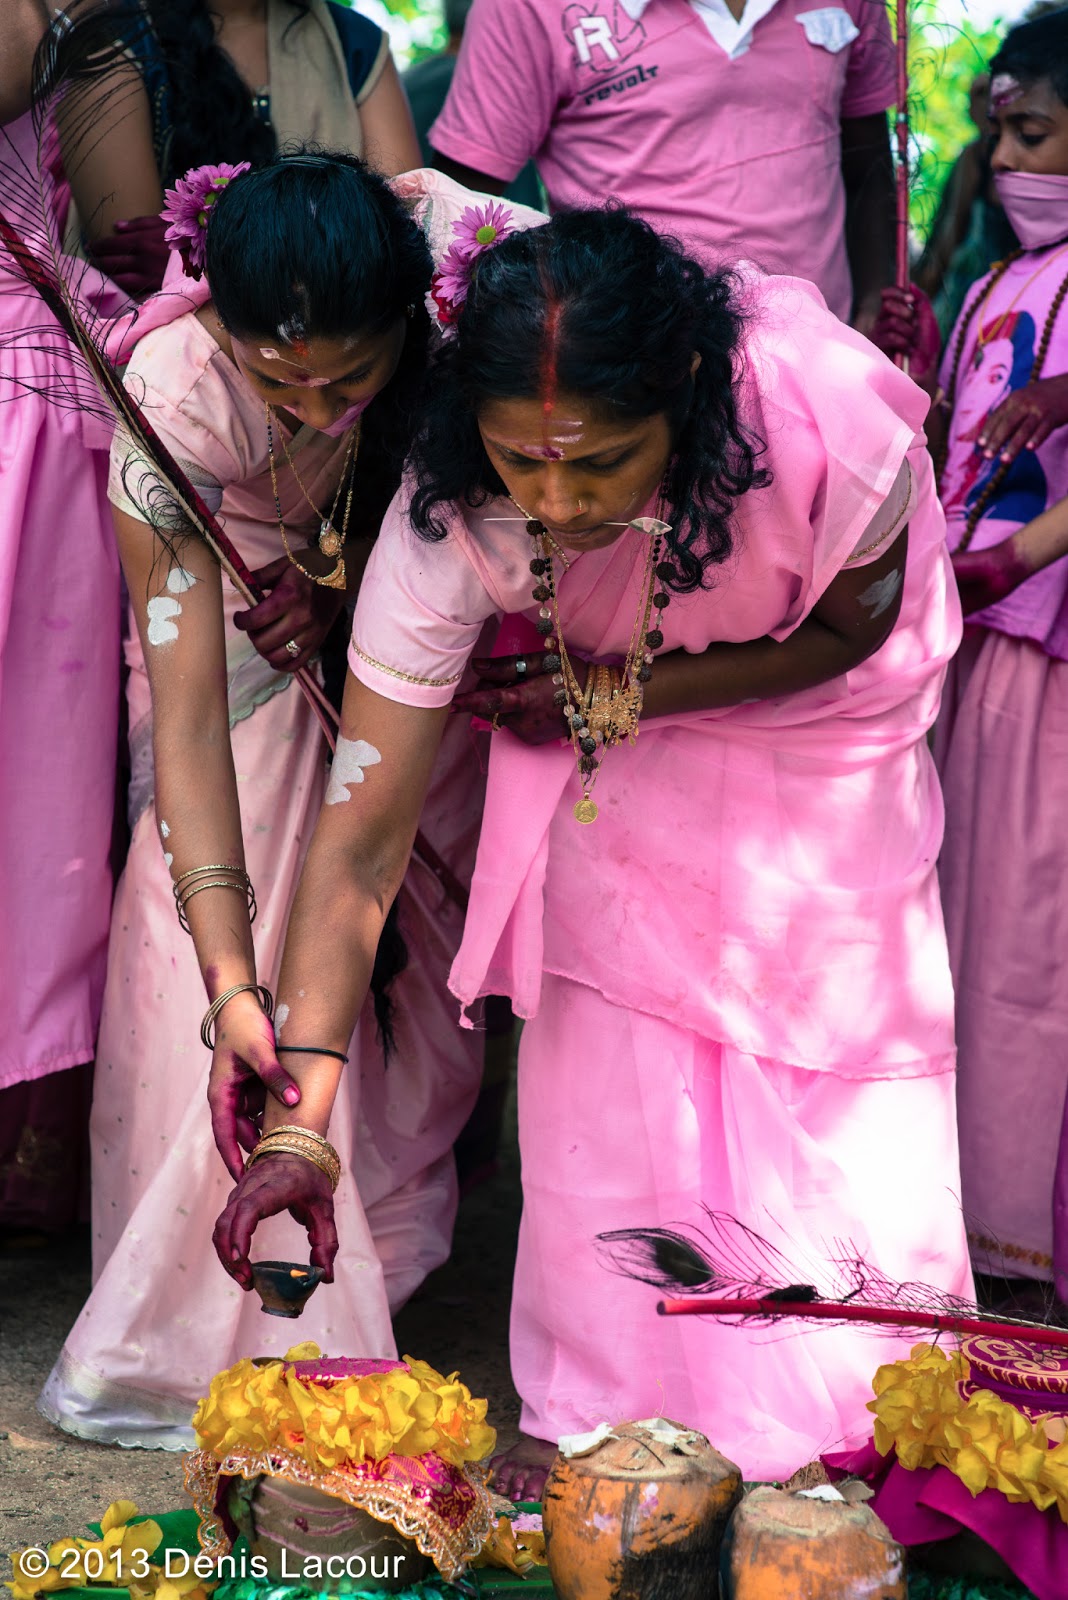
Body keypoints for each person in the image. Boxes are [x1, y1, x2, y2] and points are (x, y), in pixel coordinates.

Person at [209, 204, 972, 1495]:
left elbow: (861, 617)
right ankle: (609, 1421)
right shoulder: (454, 515)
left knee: (833, 1060)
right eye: (523, 463)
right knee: (615, 1057)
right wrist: (305, 1122)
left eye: (602, 465)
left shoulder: (822, 408)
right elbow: (363, 835)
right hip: (605, 733)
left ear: (685, 397)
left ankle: (847, 1418)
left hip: (819, 729)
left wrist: (626, 697)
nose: (555, 501)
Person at [37, 158, 519, 1447]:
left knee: (406, 917)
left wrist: (361, 588)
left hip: (424, 619)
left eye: (349, 378)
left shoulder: (489, 285)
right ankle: (190, 1322)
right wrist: (228, 978)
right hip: (243, 628)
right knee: (204, 886)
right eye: (278, 374)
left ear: (413, 321)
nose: (315, 405)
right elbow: (184, 715)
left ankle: (392, 1246)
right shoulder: (175, 393)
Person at [872, 9, 1068, 1310]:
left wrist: (1019, 555)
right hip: (983, 653)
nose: (1006, 157)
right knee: (978, 934)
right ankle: (988, 1236)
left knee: (1039, 942)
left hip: (1050, 655)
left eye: (1035, 130)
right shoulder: (997, 281)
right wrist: (912, 370)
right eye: (997, 130)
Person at [0, 1, 127, 1242]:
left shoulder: (73, 30)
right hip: (21, 417)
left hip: (23, 418)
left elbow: (133, 219)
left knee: (37, 796)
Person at [427, 0, 897, 329]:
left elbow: (869, 165)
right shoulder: (526, 9)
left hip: (827, 370)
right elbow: (460, 213)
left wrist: (877, 303)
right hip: (631, 382)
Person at [51, 0, 420, 299]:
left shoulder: (357, 45)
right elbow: (130, 262)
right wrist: (320, 261)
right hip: (153, 359)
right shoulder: (106, 40)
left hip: (340, 337)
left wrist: (202, 263)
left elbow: (399, 232)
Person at [403, 0, 540, 212]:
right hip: (495, 232)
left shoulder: (403, 86)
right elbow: (523, 202)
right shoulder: (503, 88)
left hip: (407, 233)